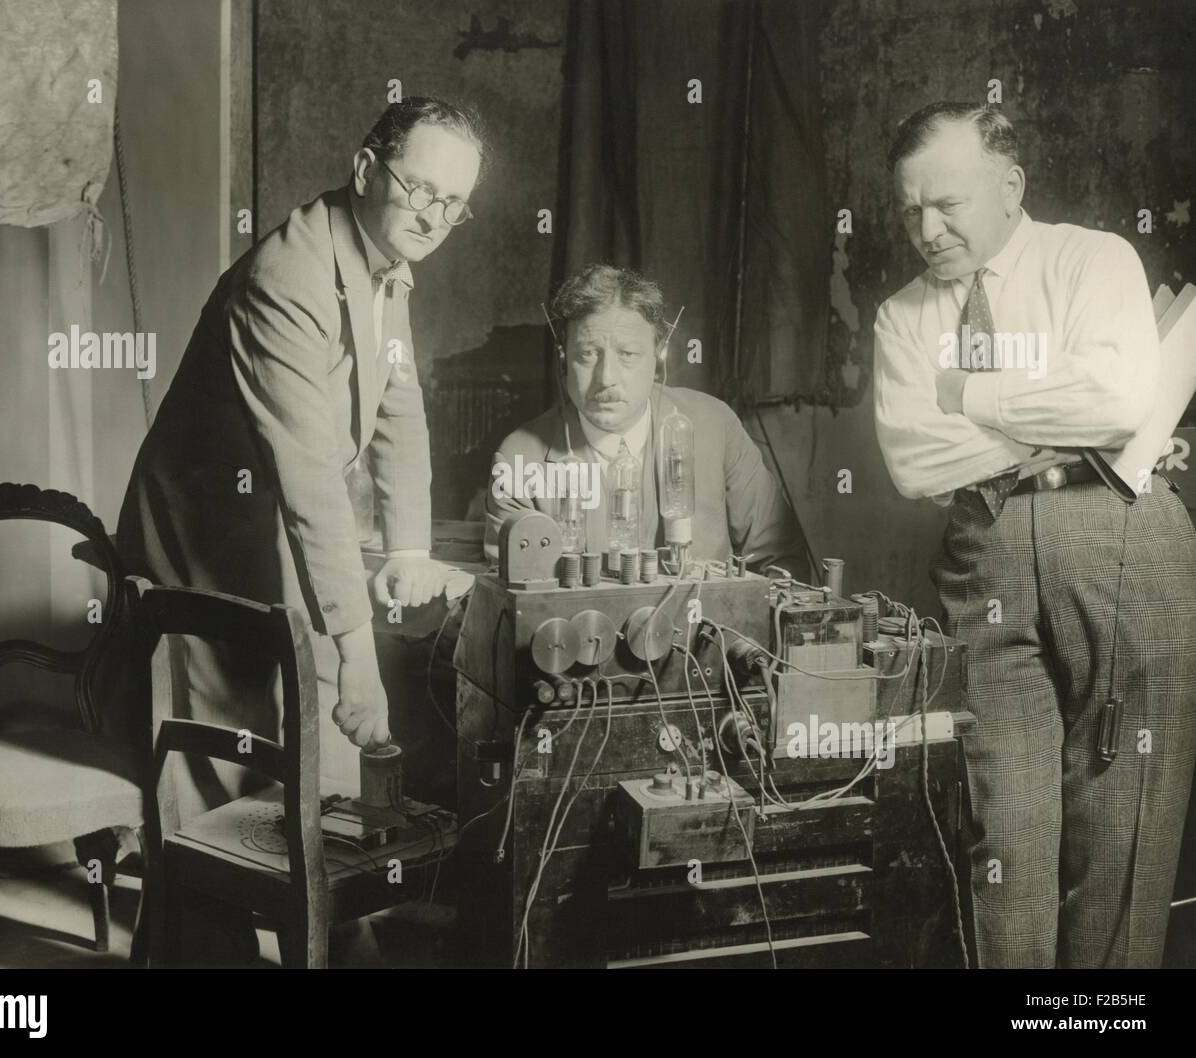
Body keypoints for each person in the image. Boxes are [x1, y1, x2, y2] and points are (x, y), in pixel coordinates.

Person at [873, 101, 1196, 967]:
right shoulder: (903, 317)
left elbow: (1121, 400)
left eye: (947, 204)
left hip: (1121, 537)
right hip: (987, 557)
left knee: (1123, 827)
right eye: (910, 210)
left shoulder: (1093, 258)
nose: (927, 229)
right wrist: (1058, 411)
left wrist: (969, 394)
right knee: (1002, 836)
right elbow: (912, 459)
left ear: (1010, 186)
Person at [117, 97, 486, 812]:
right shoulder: (288, 278)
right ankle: (223, 912)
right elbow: (310, 475)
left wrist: (409, 548)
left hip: (273, 517)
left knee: (309, 718)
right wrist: (357, 653)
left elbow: (400, 411)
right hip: (202, 534)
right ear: (365, 169)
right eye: (420, 190)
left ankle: (319, 911)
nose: (433, 218)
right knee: (223, 738)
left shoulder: (387, 259)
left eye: (453, 205)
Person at [485, 264, 807, 578]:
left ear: (658, 357)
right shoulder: (519, 458)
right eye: (587, 354)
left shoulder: (715, 426)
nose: (606, 378)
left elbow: (781, 564)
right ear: (563, 357)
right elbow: (518, 605)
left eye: (627, 354)